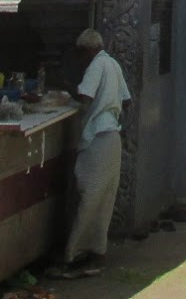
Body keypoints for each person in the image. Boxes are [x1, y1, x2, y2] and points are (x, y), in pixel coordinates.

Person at [59, 29, 131, 276]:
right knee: (103, 198)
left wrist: (69, 94)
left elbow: (85, 97)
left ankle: (76, 254)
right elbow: (127, 100)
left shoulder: (96, 65)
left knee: (88, 197)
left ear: (86, 51)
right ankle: (96, 252)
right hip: (112, 135)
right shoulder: (113, 64)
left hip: (98, 137)